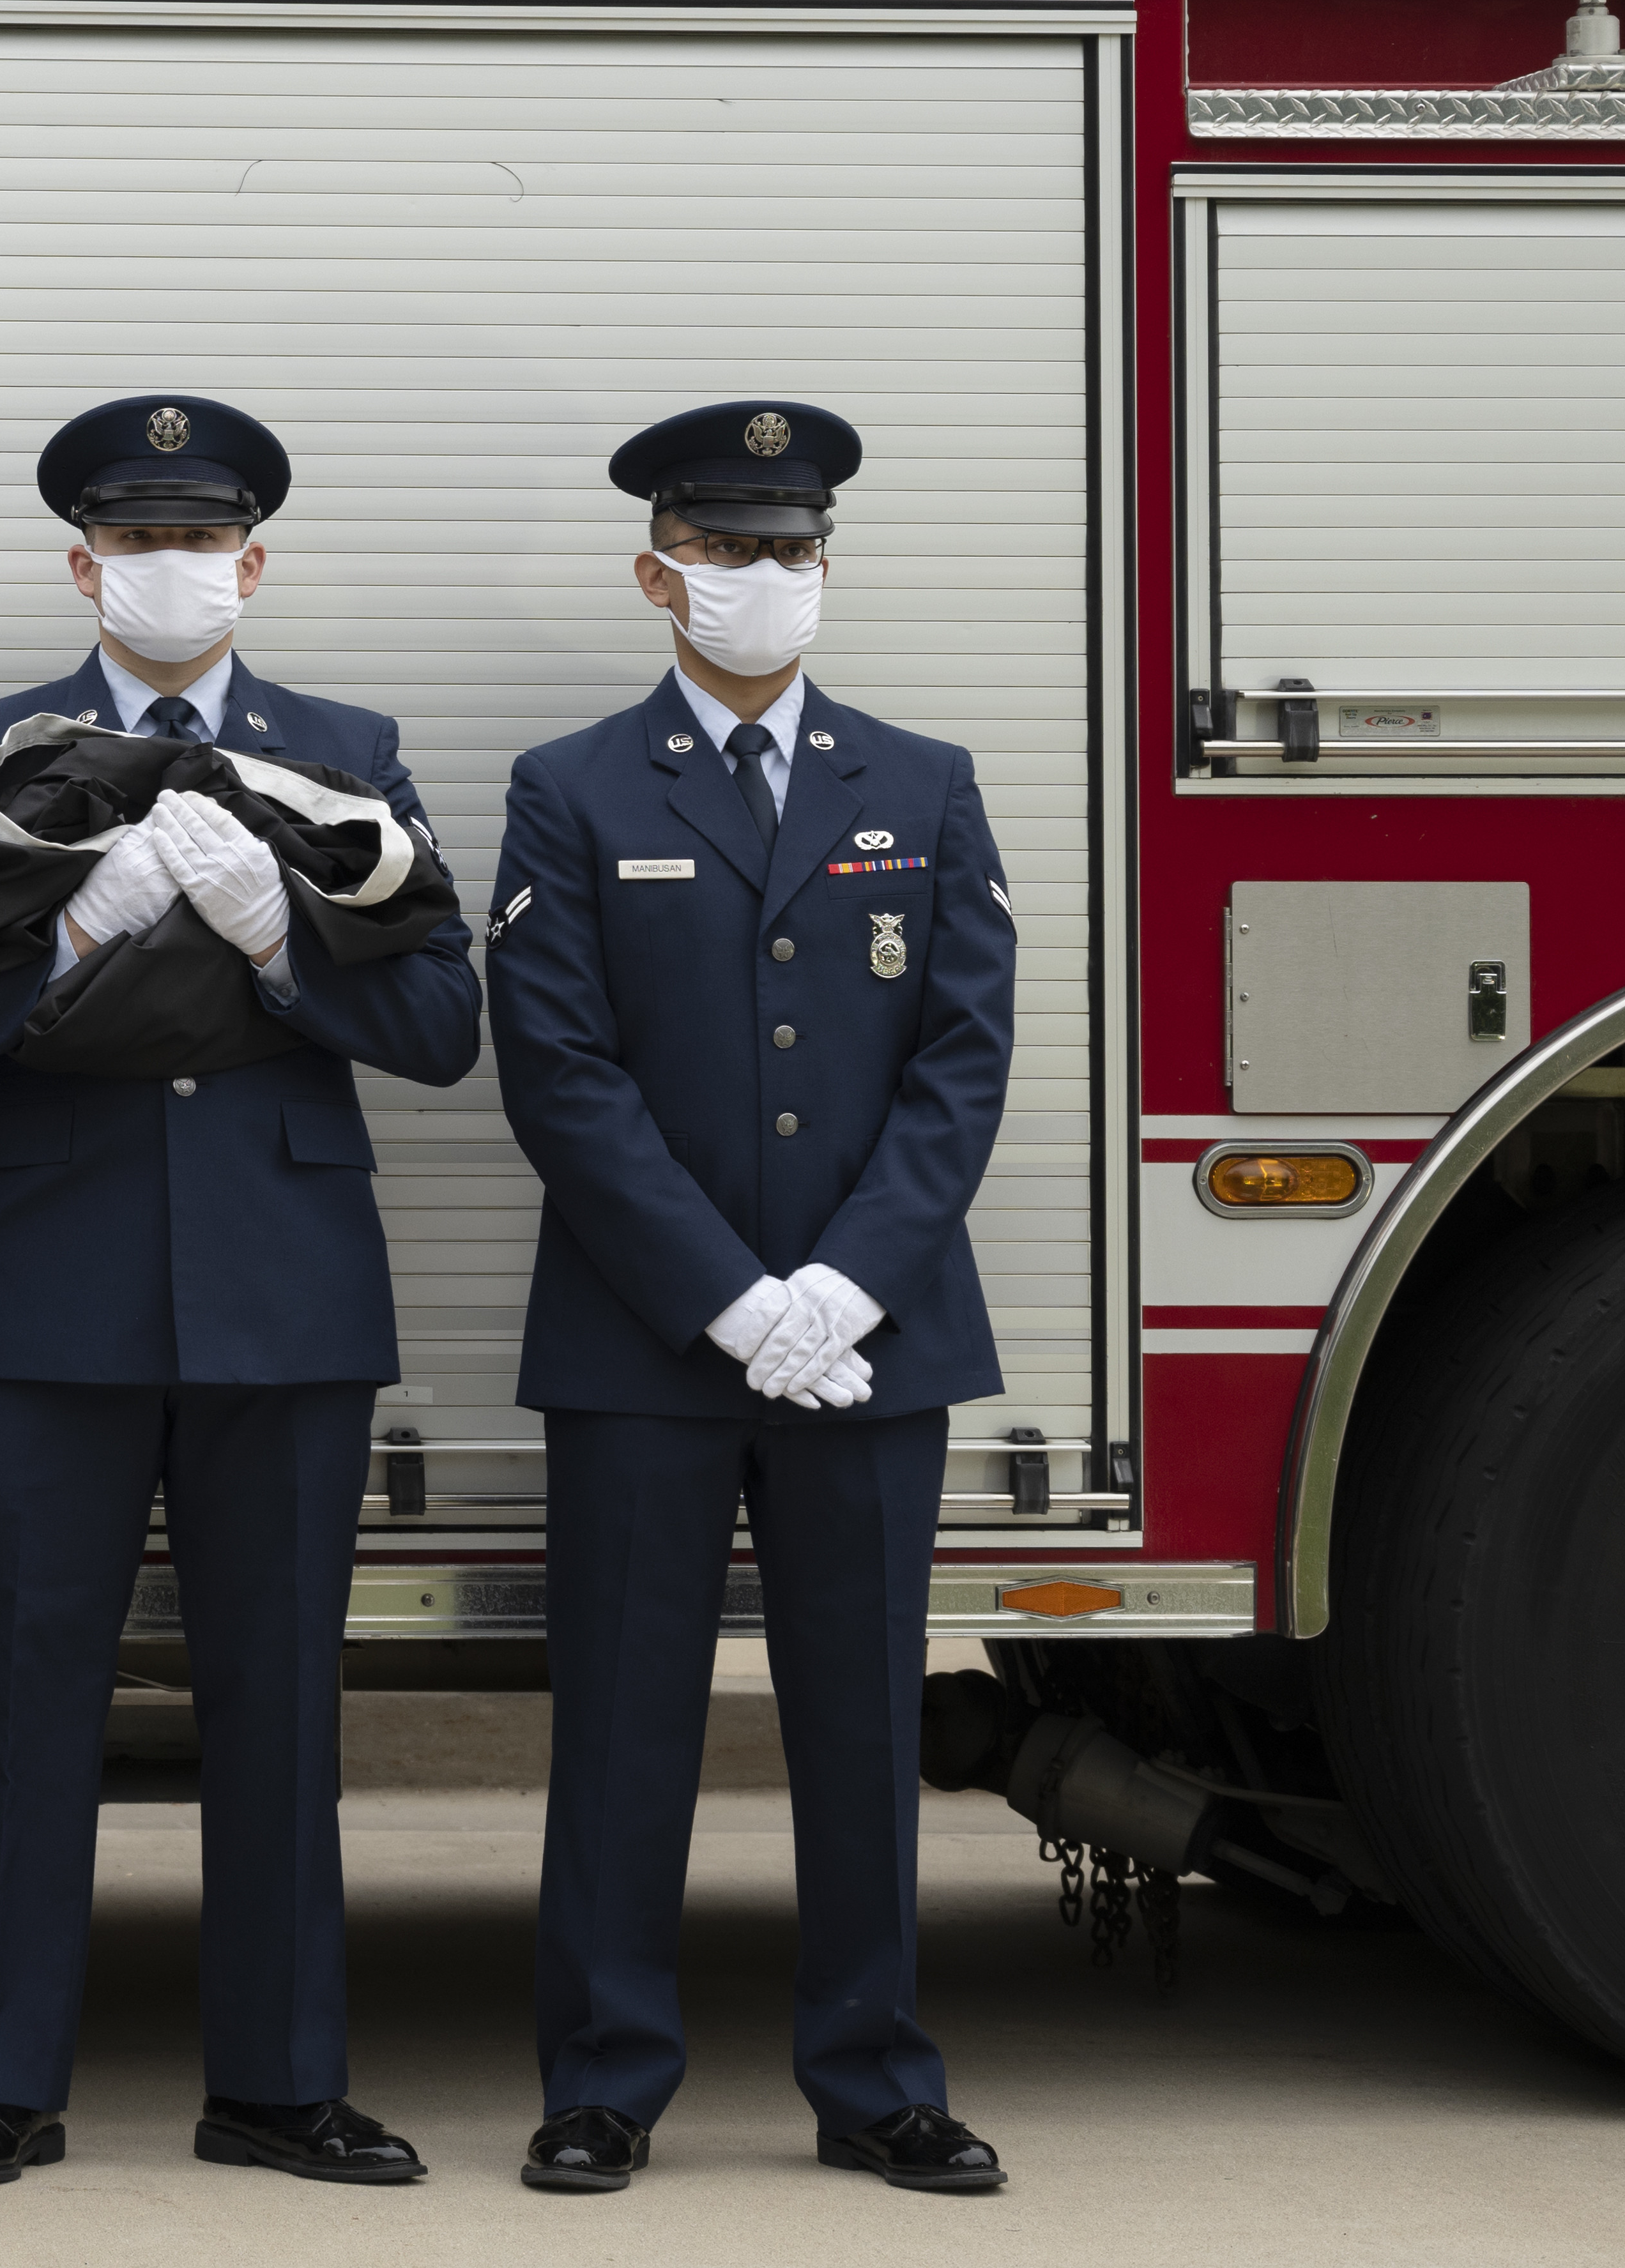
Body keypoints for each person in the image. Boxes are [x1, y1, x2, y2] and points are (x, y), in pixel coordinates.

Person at [0, 397, 480, 2191]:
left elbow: (444, 1028)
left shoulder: (347, 753)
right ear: (82, 566)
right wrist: (65, 929)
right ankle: (2, 2082)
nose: (170, 570)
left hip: (284, 1289)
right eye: (135, 543)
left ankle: (280, 2084)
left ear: (255, 566)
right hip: (54, 1290)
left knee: (278, 1699)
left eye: (202, 543)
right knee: (33, 1692)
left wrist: (287, 944)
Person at [484, 401, 1012, 2198]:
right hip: (649, 1344)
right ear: (658, 575)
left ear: (827, 570)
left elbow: (963, 1063)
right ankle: (605, 2080)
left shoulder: (922, 784)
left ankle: (876, 2083)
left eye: (792, 552)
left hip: (872, 1350)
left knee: (860, 1726)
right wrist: (728, 1301)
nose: (764, 582)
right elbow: (559, 1075)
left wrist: (846, 1291)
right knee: (624, 1723)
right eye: (727, 553)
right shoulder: (571, 790)